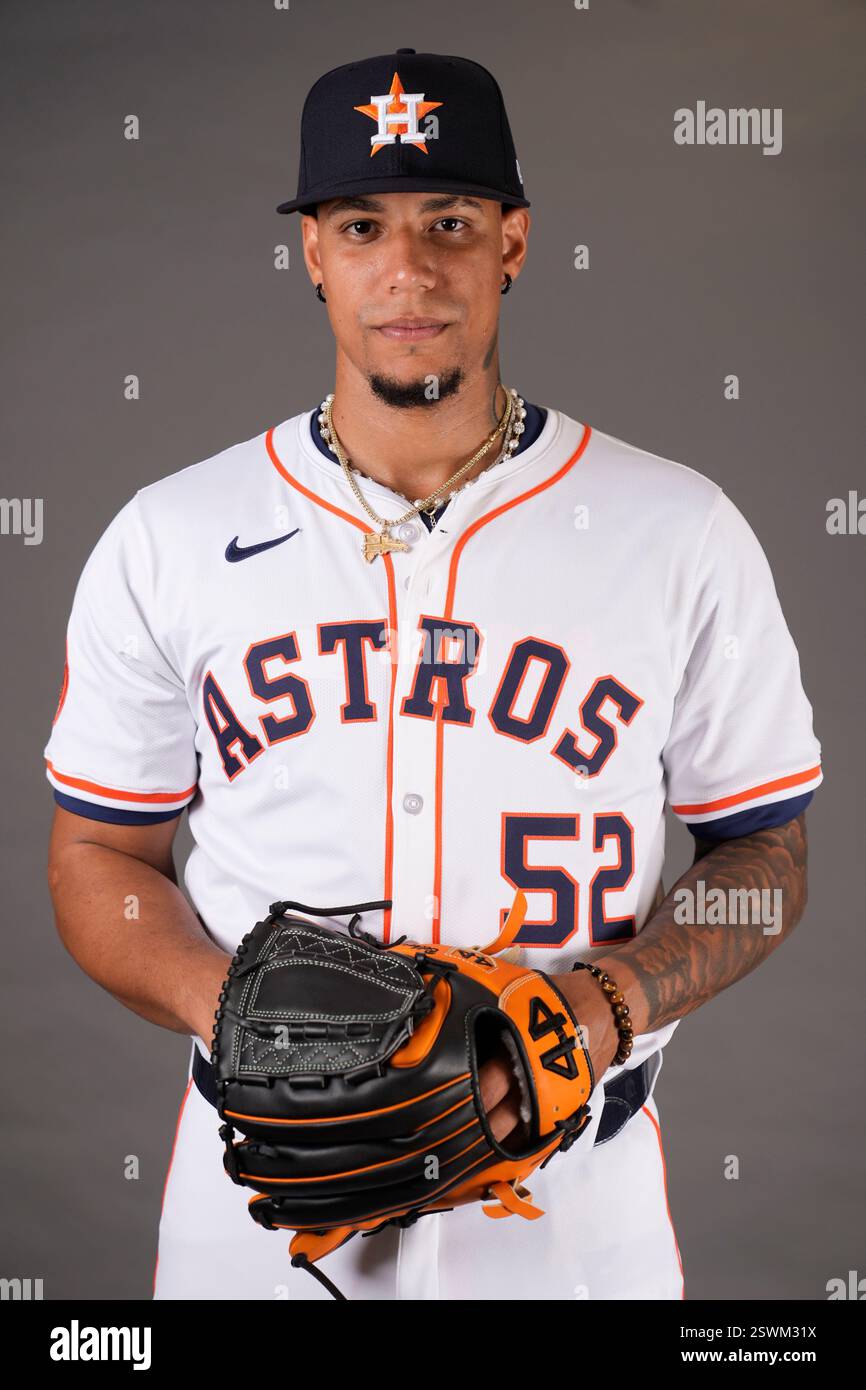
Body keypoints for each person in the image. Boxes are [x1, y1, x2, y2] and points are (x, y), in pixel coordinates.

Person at [45, 48, 822, 1300]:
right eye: (362, 226)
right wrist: (236, 1018)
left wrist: (602, 1005)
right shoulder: (169, 535)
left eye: (447, 223)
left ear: (512, 242)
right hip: (261, 1201)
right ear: (311, 251)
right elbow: (96, 856)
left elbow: (764, 853)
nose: (406, 272)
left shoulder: (676, 528)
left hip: (571, 1199)